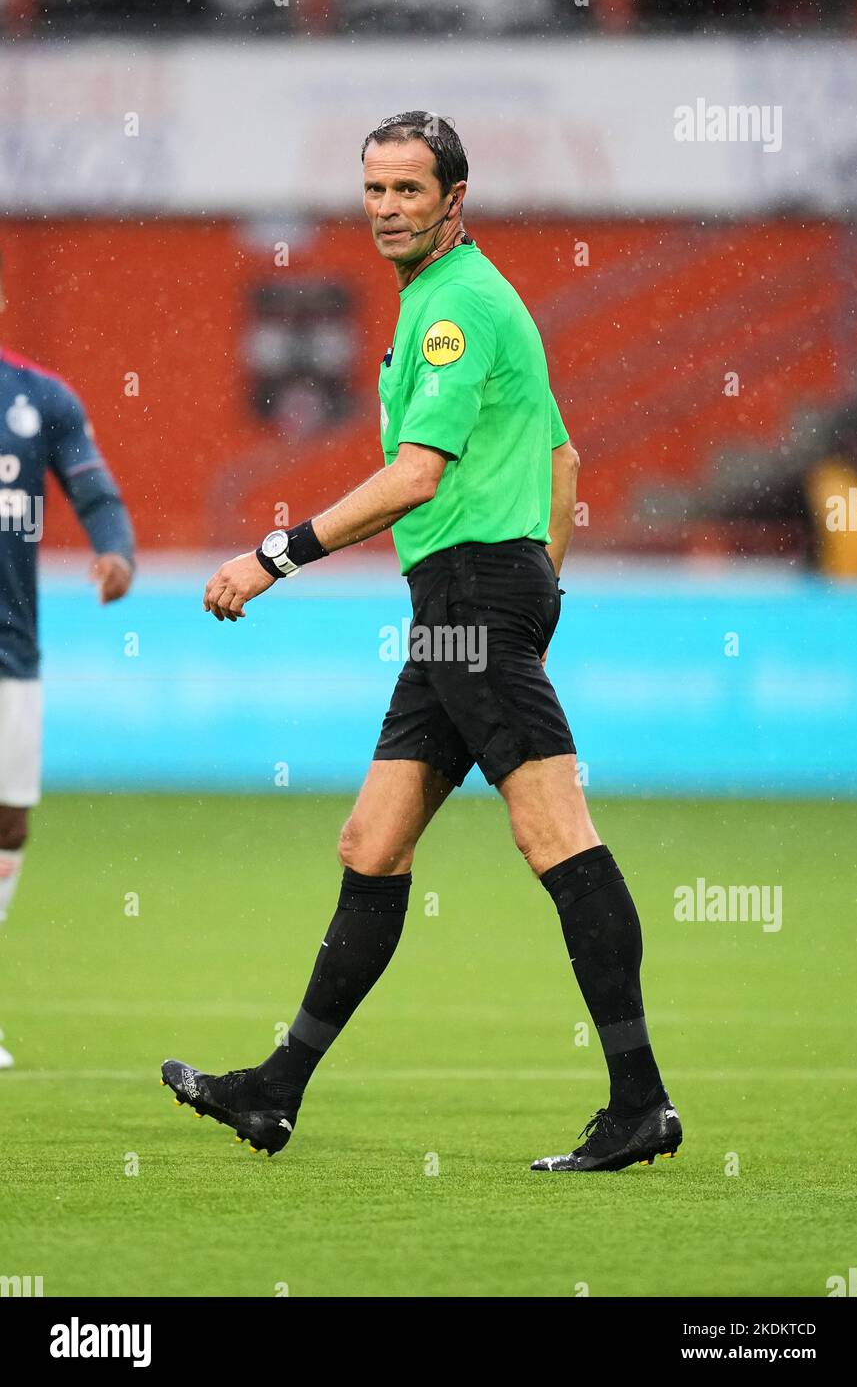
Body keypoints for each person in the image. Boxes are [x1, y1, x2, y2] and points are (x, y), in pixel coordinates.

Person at [161, 113, 681, 1172]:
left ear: (455, 198)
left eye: (409, 189)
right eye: (375, 190)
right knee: (372, 842)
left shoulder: (454, 310)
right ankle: (273, 1090)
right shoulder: (450, 301)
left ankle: (639, 1102)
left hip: (471, 599)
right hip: (467, 602)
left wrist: (273, 556)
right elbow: (562, 455)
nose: (388, 208)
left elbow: (414, 476)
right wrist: (546, 582)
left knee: (555, 836)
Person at [0, 257, 135, 1068]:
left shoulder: (38, 397)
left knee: (9, 819)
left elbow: (93, 491)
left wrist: (115, 551)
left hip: (12, 656)